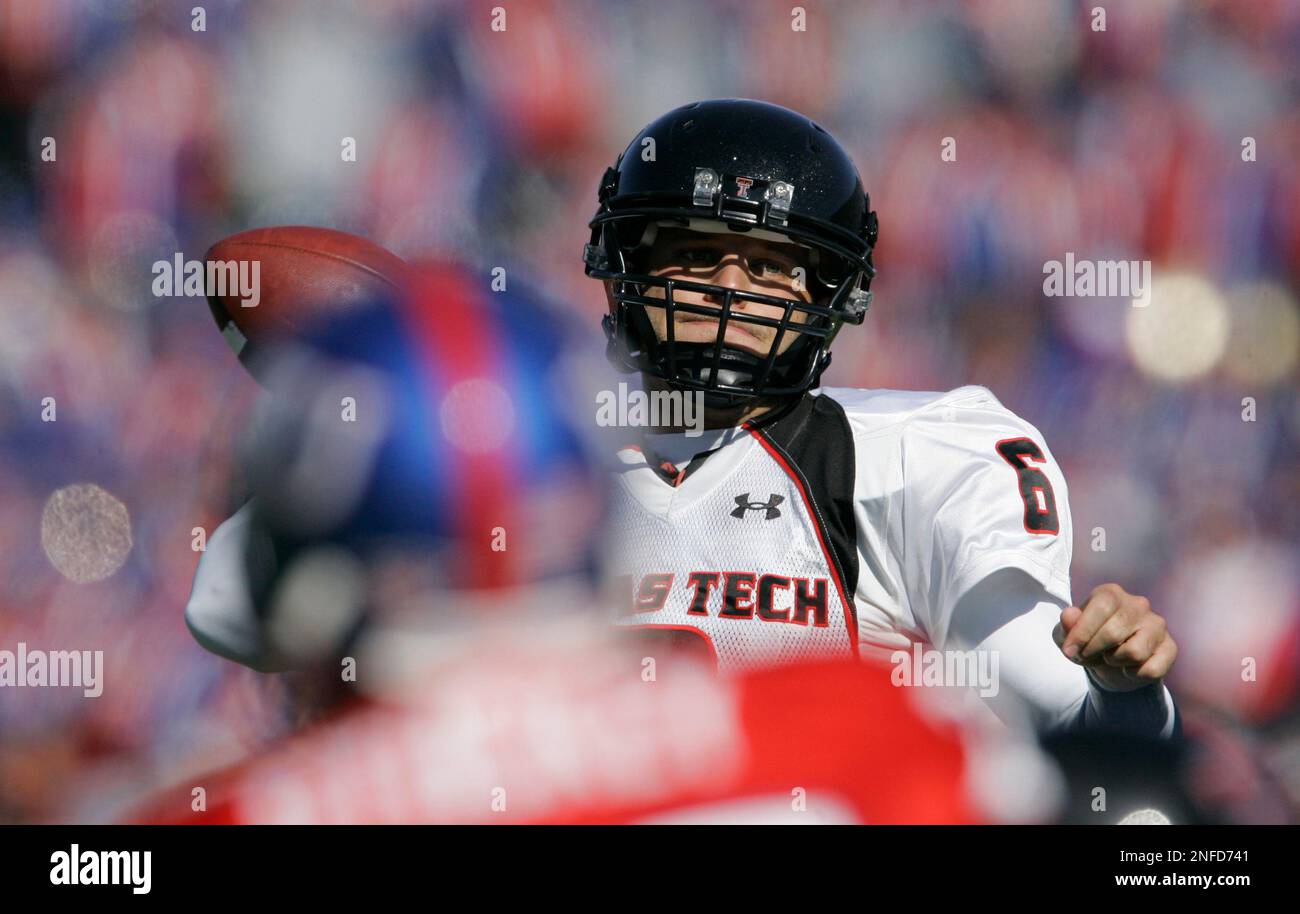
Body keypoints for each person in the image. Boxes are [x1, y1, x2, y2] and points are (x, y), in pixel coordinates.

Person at [583, 98, 1178, 736]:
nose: (731, 285)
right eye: (698, 254)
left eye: (769, 264)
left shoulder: (898, 459)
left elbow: (1060, 713)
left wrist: (1124, 694)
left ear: (826, 297)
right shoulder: (555, 476)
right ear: (624, 275)